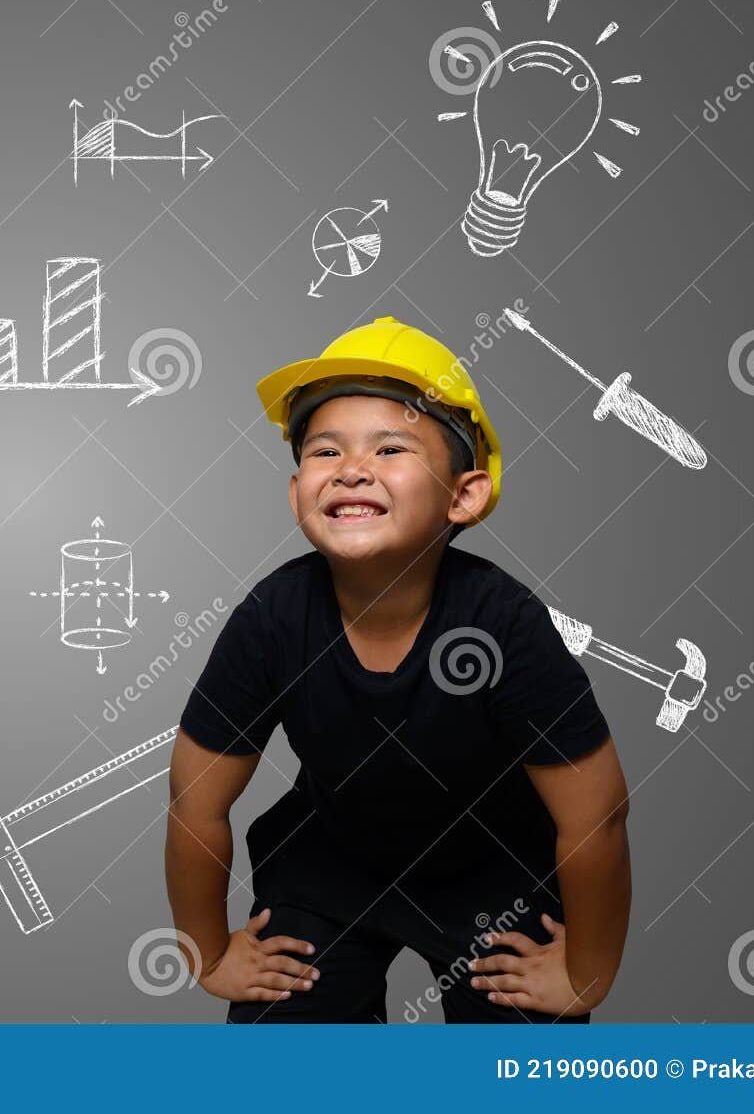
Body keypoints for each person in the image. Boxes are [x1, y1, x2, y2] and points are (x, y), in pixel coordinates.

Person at [164, 316, 631, 1023]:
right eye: (326, 450)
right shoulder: (272, 619)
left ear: (463, 495)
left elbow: (597, 814)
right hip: (330, 863)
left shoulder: (504, 624)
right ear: (297, 495)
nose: (352, 467)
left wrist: (586, 973)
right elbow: (195, 803)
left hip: (492, 870)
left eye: (390, 446)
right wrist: (208, 953)